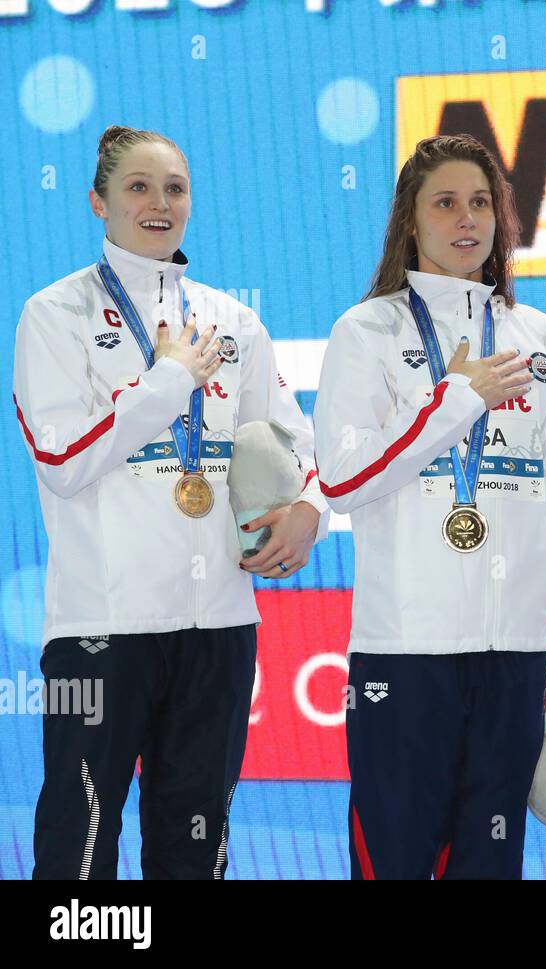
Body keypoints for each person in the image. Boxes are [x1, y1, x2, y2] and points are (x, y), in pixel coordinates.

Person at [14, 125, 329, 879]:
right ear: (99, 202)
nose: (160, 204)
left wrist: (309, 508)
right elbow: (62, 459)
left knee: (196, 841)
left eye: (175, 189)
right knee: (77, 837)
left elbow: (298, 443)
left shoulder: (233, 322)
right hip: (101, 626)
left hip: (219, 622)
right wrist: (169, 380)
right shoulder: (54, 315)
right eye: (138, 187)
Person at [314, 134, 546, 880]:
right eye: (445, 203)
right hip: (404, 653)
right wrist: (456, 401)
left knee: (490, 863)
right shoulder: (366, 332)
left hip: (512, 653)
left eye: (481, 202)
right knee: (395, 862)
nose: (466, 219)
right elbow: (342, 480)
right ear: (412, 221)